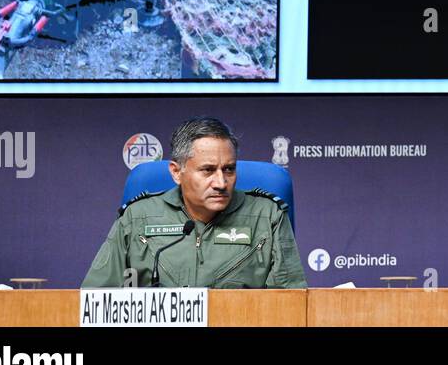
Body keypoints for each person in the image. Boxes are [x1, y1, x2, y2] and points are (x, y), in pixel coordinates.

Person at [82, 117, 306, 288]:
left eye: (229, 169)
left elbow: (291, 304)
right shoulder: (137, 217)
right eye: (207, 170)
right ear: (176, 172)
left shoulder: (268, 216)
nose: (221, 182)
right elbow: (95, 299)